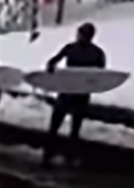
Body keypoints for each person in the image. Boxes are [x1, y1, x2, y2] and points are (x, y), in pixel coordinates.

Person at [42, 22, 105, 167]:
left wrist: (51, 67)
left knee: (61, 126)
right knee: (68, 127)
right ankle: (60, 155)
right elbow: (101, 75)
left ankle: (54, 154)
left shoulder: (76, 49)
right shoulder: (94, 52)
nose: (79, 37)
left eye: (81, 34)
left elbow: (100, 75)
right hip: (76, 92)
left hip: (71, 92)